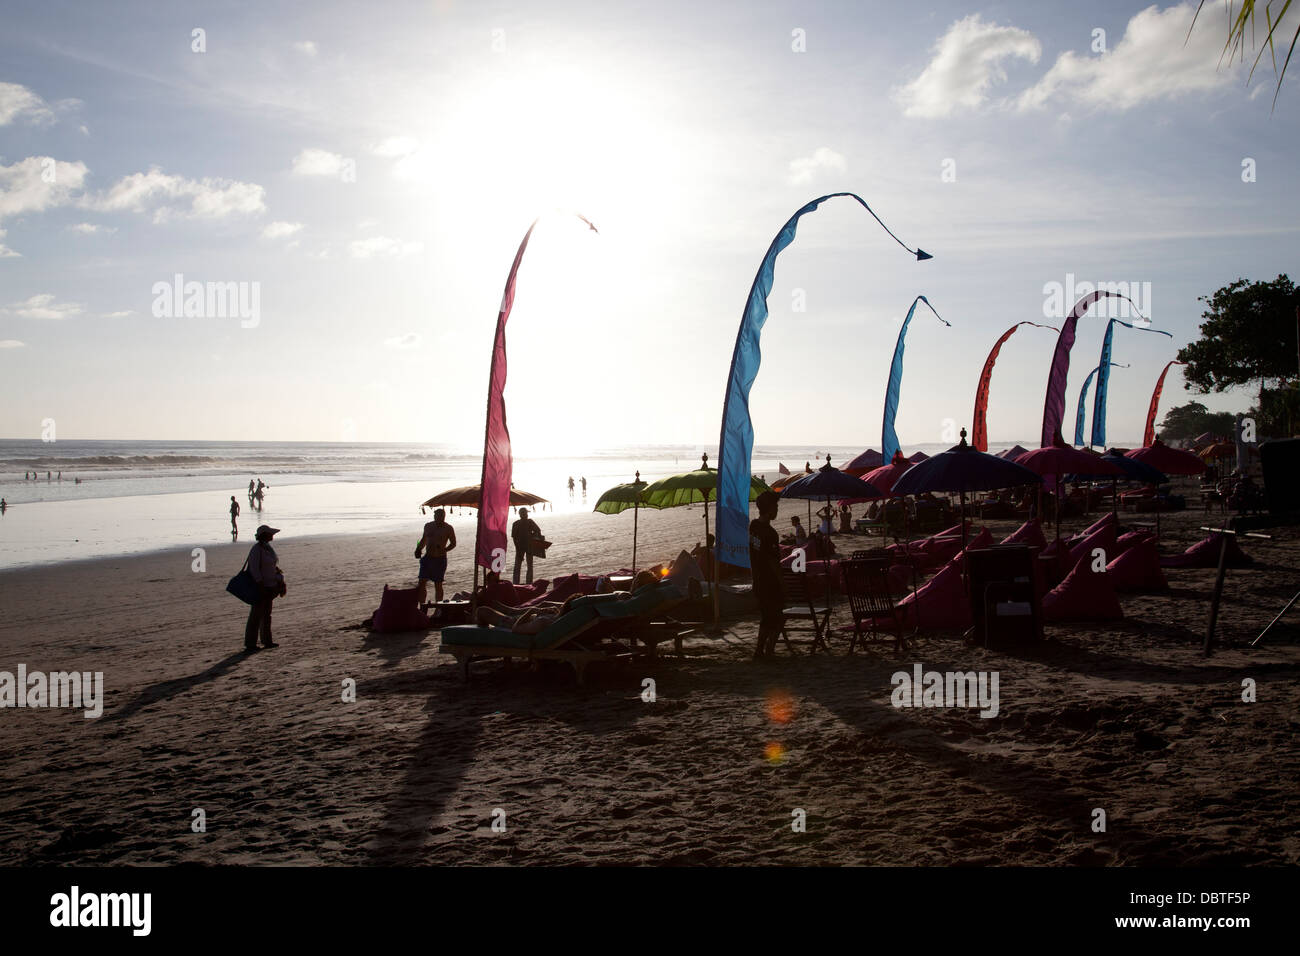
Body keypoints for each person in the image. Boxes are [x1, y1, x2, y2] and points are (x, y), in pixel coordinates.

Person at [749, 490, 783, 660]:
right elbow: (773, 561)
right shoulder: (770, 534)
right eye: (776, 506)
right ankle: (768, 650)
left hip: (757, 579)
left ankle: (759, 650)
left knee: (766, 616)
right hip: (770, 581)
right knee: (777, 617)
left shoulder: (753, 527)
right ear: (770, 508)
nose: (777, 510)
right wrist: (781, 581)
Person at [244, 525, 286, 653]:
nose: (272, 535)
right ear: (265, 535)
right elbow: (254, 569)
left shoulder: (266, 548)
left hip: (270, 586)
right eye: (270, 534)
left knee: (266, 615)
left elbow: (272, 566)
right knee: (256, 615)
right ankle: (251, 643)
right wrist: (260, 584)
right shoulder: (257, 549)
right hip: (261, 587)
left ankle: (267, 640)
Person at [415, 507, 457, 605]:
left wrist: (445, 549)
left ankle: (439, 607)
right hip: (427, 558)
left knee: (438, 584)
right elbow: (423, 540)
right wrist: (418, 549)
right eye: (436, 516)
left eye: (440, 516)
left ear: (444, 517)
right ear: (434, 516)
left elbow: (453, 543)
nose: (438, 518)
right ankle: (422, 605)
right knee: (421, 583)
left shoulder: (448, 528)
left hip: (440, 558)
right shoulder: (428, 526)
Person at [511, 507, 543, 584]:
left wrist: (517, 550)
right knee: (526, 567)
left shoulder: (517, 523)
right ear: (522, 514)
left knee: (519, 567)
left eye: (527, 513)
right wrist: (533, 536)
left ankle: (517, 584)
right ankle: (527, 583)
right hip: (526, 547)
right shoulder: (528, 522)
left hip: (522, 547)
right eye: (526, 513)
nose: (527, 514)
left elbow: (514, 538)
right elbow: (538, 531)